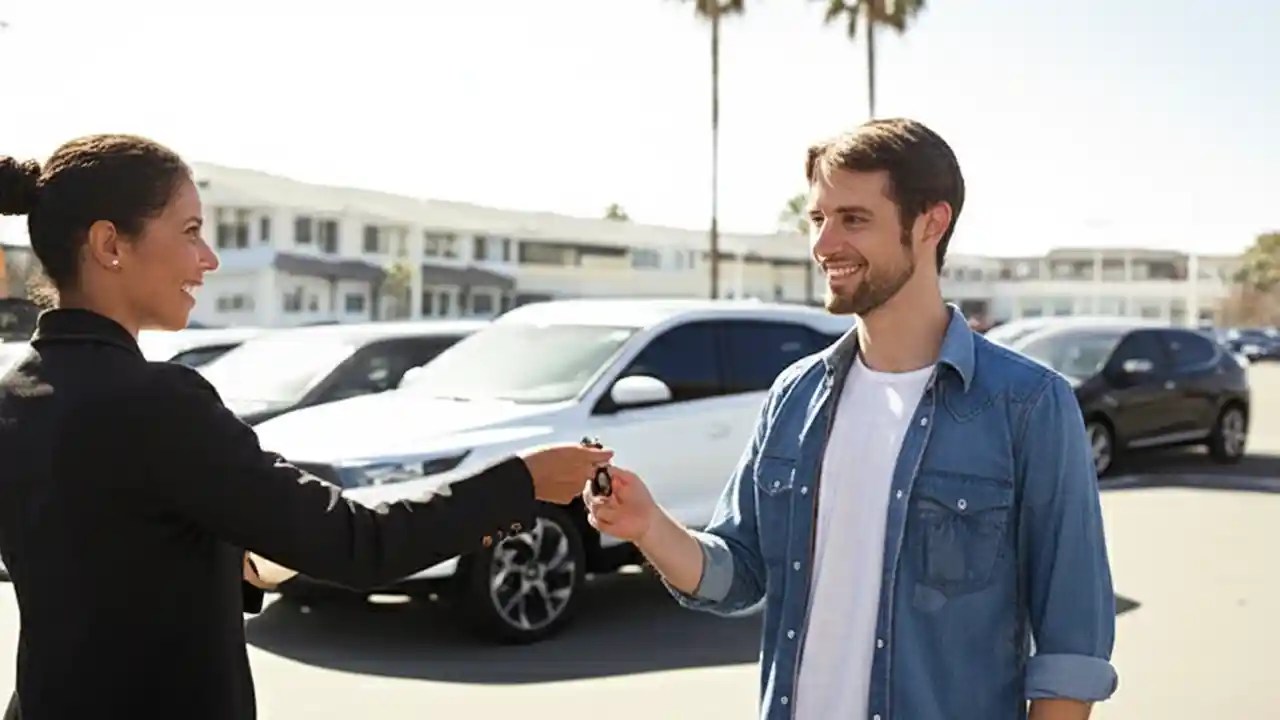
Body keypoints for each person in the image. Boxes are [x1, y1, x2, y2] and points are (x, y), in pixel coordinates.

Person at [0, 135, 613, 720]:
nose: (209, 259)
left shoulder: (14, 396)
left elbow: (101, 560)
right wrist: (522, 481)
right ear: (110, 244)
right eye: (190, 233)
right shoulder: (159, 404)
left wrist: (229, 556)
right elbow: (360, 543)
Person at [585, 118, 1118, 720]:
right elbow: (739, 572)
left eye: (853, 219)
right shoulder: (796, 394)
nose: (824, 244)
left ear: (930, 224)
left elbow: (1073, 635)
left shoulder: (1028, 404)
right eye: (818, 219)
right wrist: (650, 527)